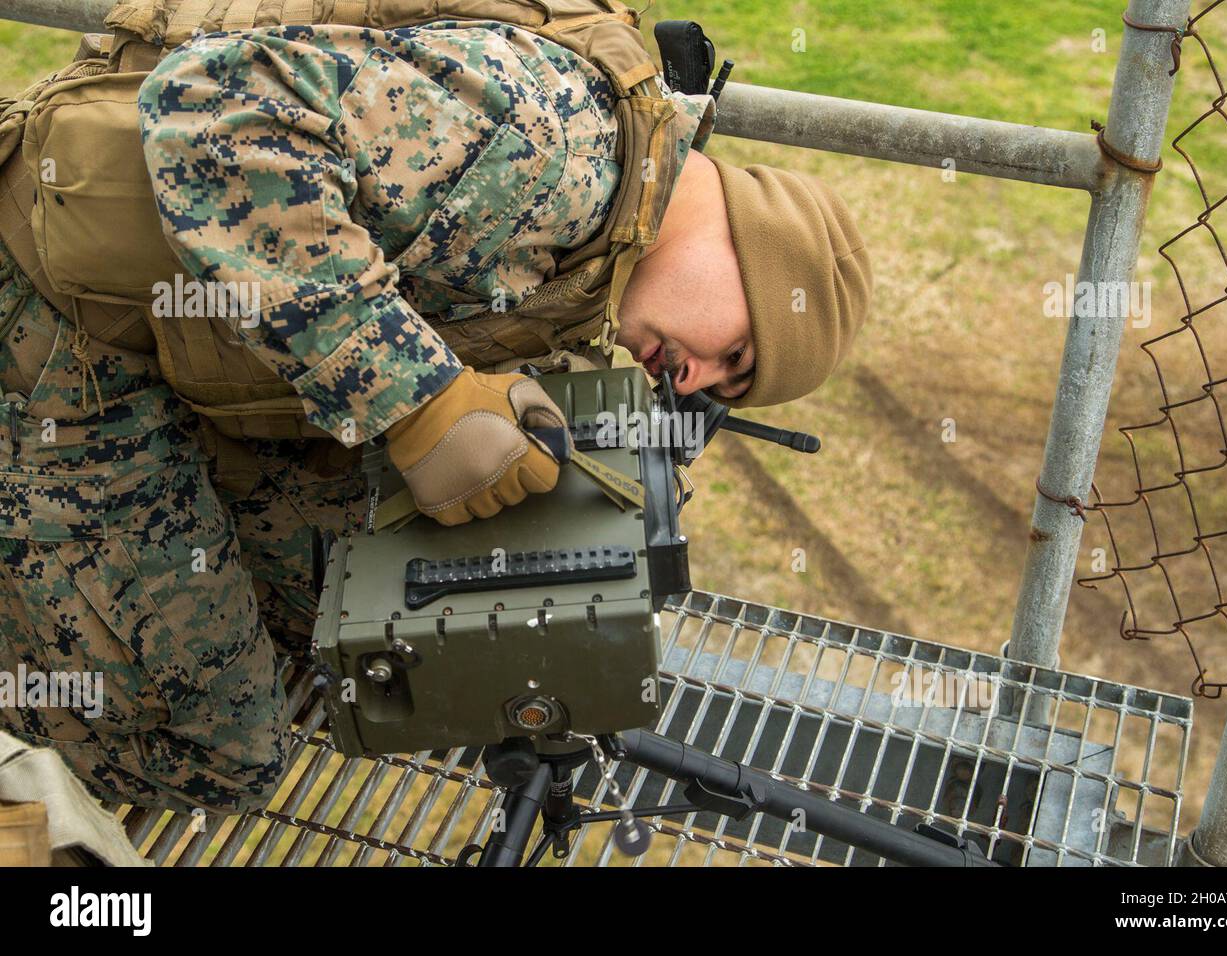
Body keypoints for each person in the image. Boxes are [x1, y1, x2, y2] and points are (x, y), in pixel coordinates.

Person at [0, 10, 869, 813]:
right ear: (750, 254)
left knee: (340, 607)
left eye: (717, 389)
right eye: (734, 355)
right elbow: (211, 105)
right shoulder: (555, 148)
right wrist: (417, 401)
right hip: (56, 323)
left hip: (178, 332)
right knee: (222, 752)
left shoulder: (613, 222)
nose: (693, 379)